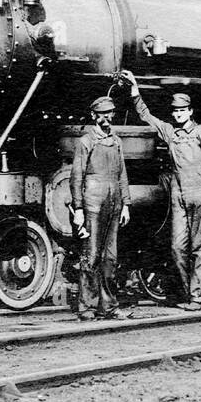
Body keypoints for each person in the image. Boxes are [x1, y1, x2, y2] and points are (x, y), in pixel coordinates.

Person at [119, 72, 201, 311]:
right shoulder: (170, 132)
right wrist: (135, 89)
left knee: (199, 247)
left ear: (190, 111)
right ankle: (186, 293)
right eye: (175, 111)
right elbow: (146, 116)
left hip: (200, 193)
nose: (177, 114)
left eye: (182, 111)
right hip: (178, 195)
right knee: (177, 246)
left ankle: (198, 297)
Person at [70, 96, 131, 321]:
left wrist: (126, 204)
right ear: (94, 116)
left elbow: (122, 174)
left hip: (114, 202)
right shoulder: (86, 141)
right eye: (102, 114)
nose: (106, 118)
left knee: (110, 258)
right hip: (92, 203)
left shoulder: (116, 141)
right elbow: (76, 177)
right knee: (91, 255)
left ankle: (109, 306)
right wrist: (78, 208)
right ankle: (86, 307)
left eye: (110, 114)